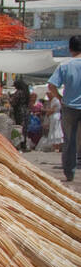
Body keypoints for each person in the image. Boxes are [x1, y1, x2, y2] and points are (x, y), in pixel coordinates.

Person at [48, 36, 81, 181]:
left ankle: (69, 172)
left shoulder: (65, 65)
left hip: (70, 106)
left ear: (70, 48)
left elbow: (51, 85)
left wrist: (60, 99)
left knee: (69, 139)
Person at [9, 75, 31, 150]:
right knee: (24, 129)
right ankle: (23, 143)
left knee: (19, 128)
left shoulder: (18, 93)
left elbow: (13, 102)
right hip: (25, 111)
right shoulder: (26, 92)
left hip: (19, 112)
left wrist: (9, 98)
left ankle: (18, 143)